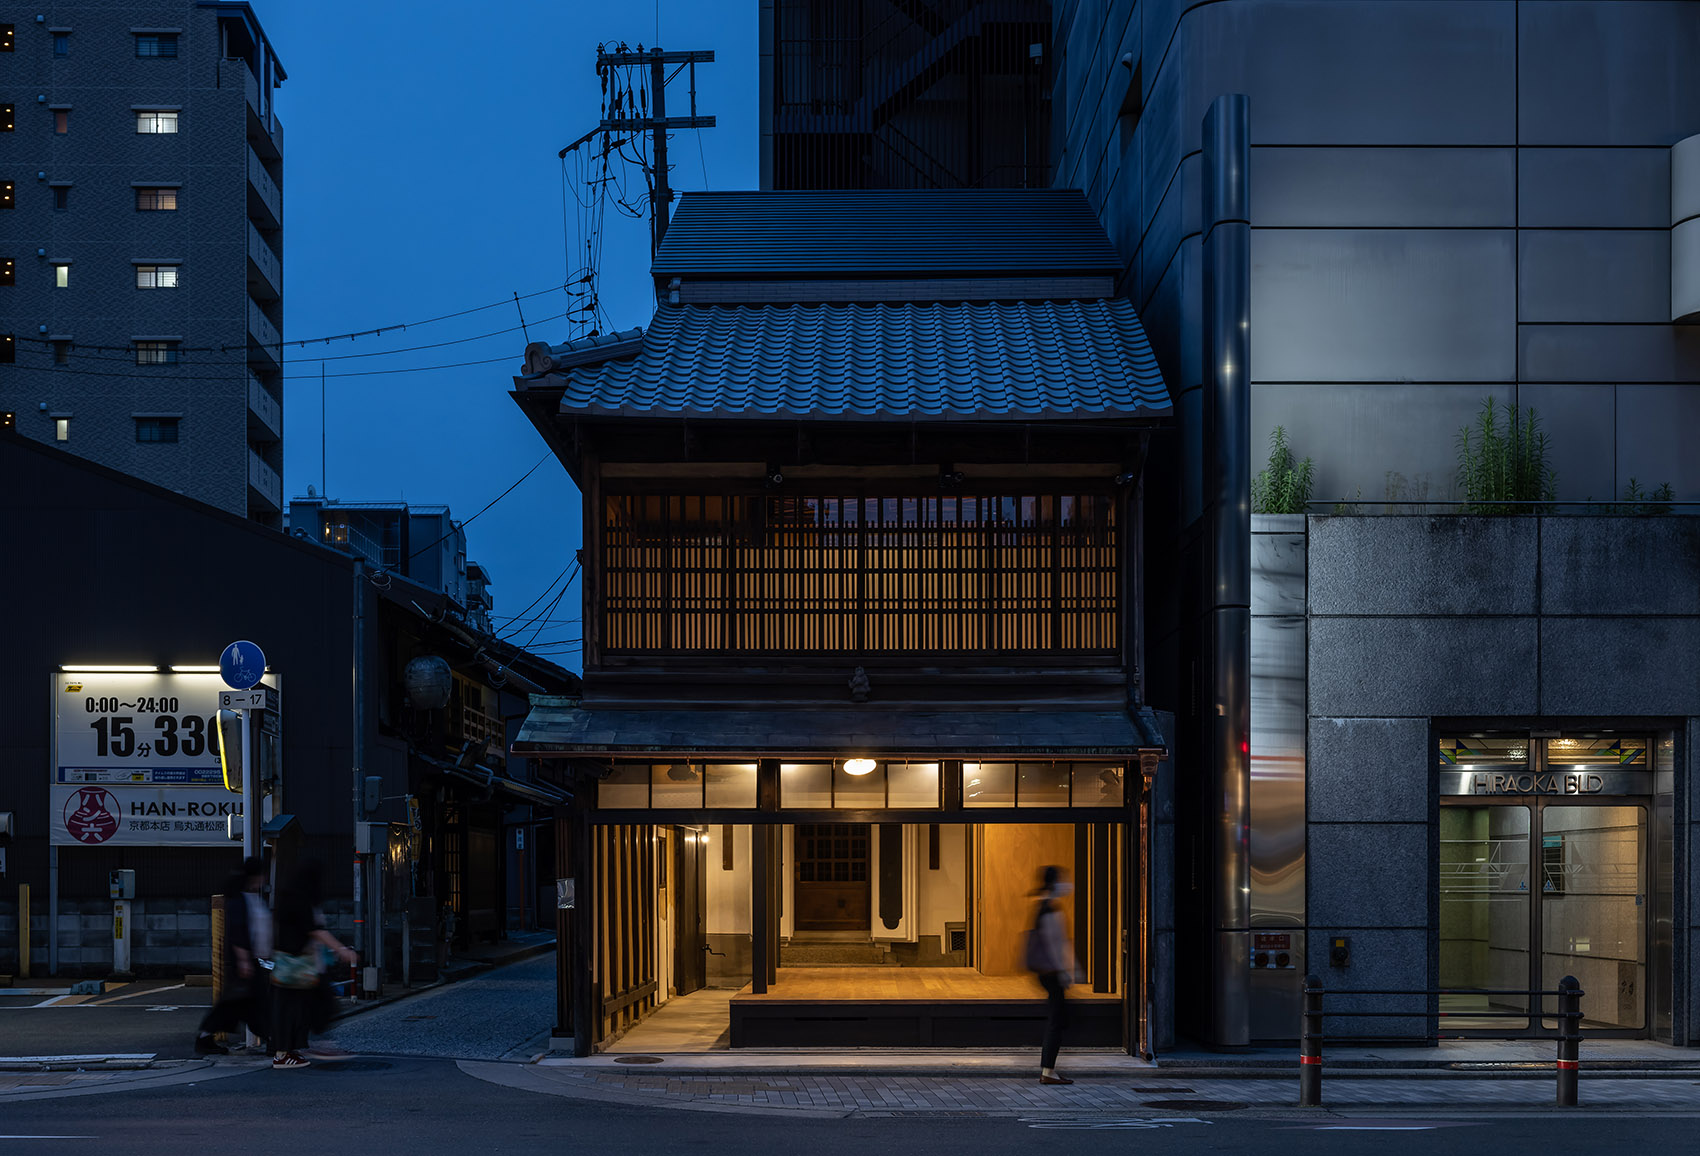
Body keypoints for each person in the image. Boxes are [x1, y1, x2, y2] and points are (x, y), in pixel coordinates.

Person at [270, 861, 356, 1070]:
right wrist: (341, 949)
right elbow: (315, 930)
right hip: (299, 965)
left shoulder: (290, 897)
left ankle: (295, 1050)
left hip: (300, 965)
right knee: (303, 1008)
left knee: (306, 1007)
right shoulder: (300, 900)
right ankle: (285, 1054)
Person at [194, 856, 271, 1055]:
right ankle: (273, 1039)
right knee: (244, 1005)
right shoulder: (240, 899)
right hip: (243, 963)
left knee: (244, 1005)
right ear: (255, 876)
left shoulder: (250, 897)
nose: (265, 878)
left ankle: (205, 1038)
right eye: (262, 874)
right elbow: (238, 931)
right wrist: (244, 960)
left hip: (251, 961)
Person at [1027, 864, 1078, 1085]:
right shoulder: (1049, 909)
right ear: (1055, 883)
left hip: (1048, 972)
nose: (1067, 884)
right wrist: (1065, 971)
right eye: (1062, 879)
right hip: (1052, 973)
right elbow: (1055, 944)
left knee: (1059, 1018)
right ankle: (1048, 1071)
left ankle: (1049, 1069)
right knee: (1057, 1020)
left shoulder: (1043, 905)